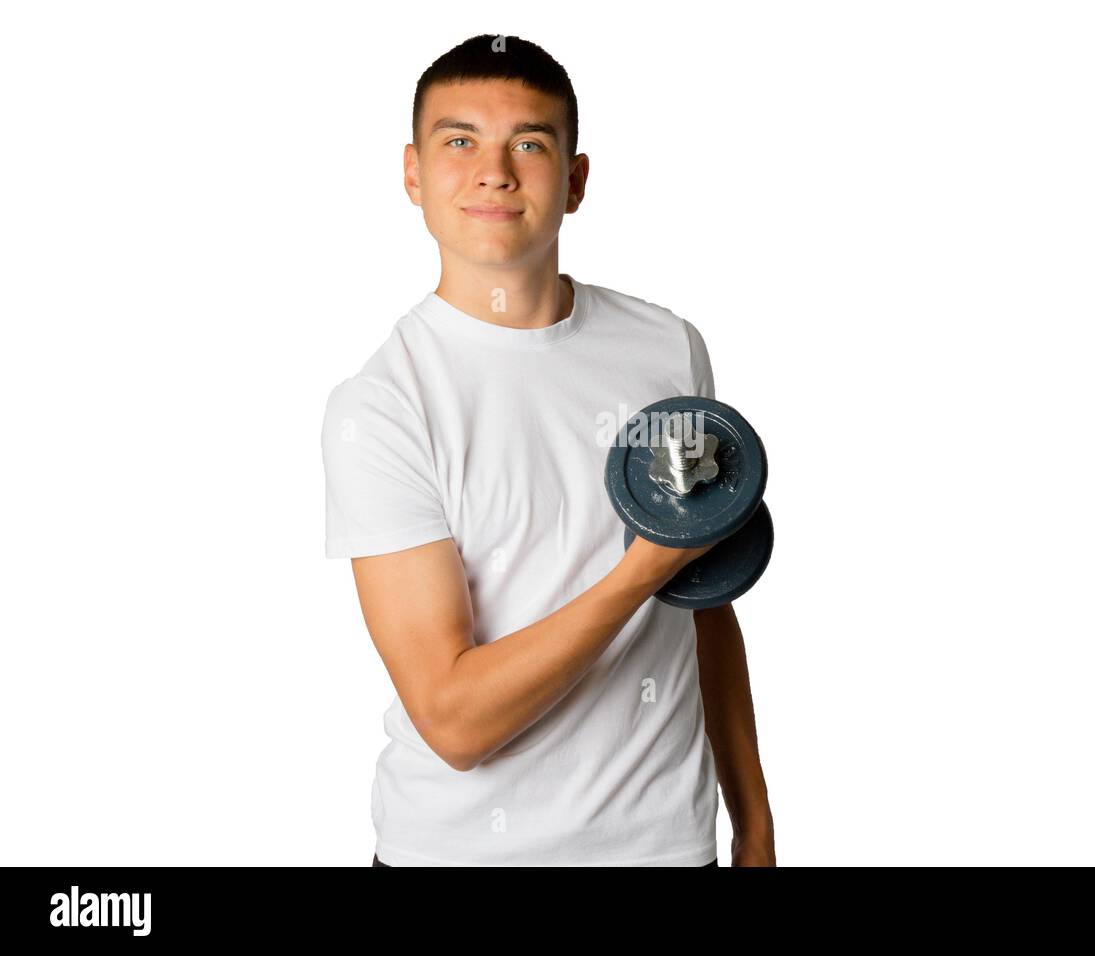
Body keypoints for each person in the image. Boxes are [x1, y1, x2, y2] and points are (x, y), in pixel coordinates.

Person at [320, 34, 774, 867]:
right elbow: (455, 722)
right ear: (414, 174)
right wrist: (646, 566)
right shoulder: (384, 406)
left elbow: (709, 608)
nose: (494, 171)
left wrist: (756, 825)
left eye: (529, 143)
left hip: (666, 851)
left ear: (574, 182)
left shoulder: (668, 348)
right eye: (460, 142)